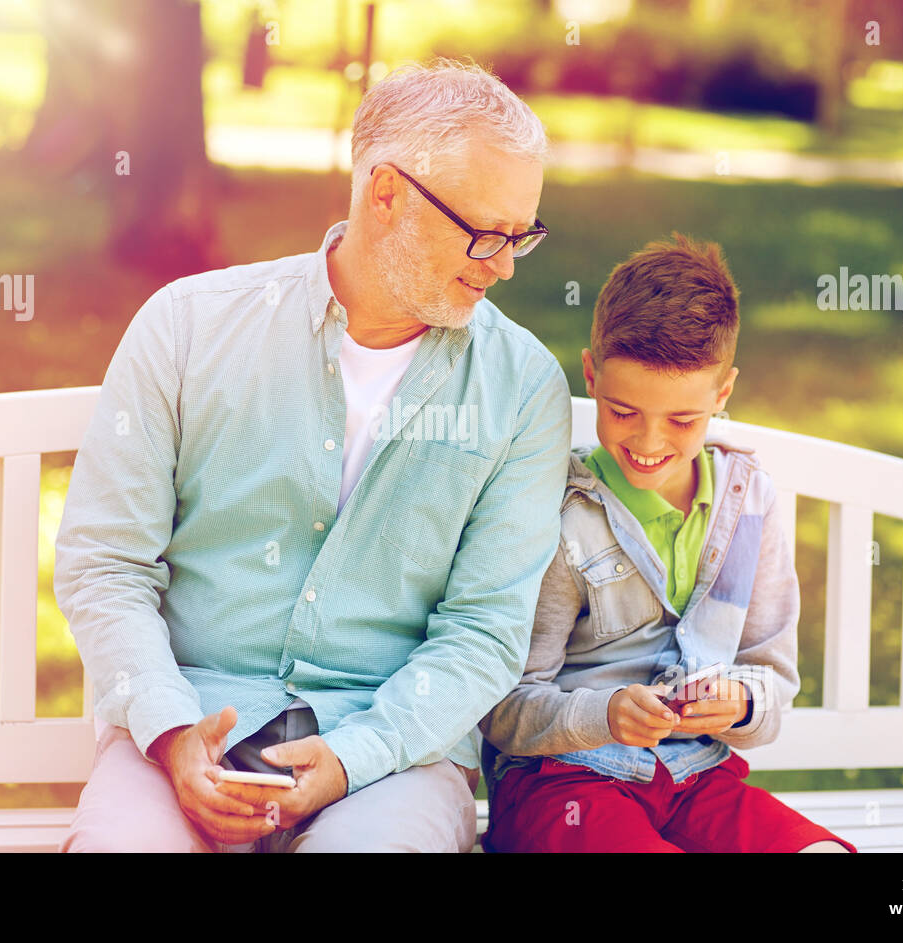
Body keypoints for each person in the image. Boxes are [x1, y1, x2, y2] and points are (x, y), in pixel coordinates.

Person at [54, 58, 571, 852]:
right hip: (184, 724)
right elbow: (107, 565)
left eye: (522, 236)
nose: (503, 265)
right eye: (485, 232)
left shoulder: (523, 386)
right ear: (387, 194)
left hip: (392, 753)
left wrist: (350, 756)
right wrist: (169, 730)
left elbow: (485, 632)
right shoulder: (186, 329)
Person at [478, 233, 858, 853]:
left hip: (696, 779)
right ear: (592, 375)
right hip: (566, 786)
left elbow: (770, 672)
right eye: (623, 410)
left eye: (682, 420)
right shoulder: (555, 513)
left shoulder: (749, 502)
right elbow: (504, 706)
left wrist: (739, 706)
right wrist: (604, 714)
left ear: (722, 393)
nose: (649, 442)